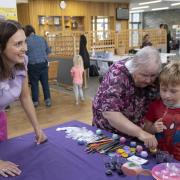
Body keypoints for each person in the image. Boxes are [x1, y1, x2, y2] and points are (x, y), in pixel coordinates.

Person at [0, 20, 47, 177]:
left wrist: (37, 129)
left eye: (24, 42)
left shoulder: (22, 62)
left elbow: (25, 97)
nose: (25, 49)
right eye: (18, 44)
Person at [92, 46, 162, 148]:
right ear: (134, 68)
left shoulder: (150, 71)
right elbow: (110, 113)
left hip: (135, 135)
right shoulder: (117, 75)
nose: (148, 80)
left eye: (152, 76)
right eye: (144, 75)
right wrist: (140, 133)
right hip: (110, 134)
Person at [143, 61, 180, 160]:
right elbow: (145, 129)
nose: (167, 95)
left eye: (173, 91)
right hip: (157, 157)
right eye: (163, 90)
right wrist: (153, 128)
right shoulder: (155, 106)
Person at [24, 25, 51, 107]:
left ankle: (35, 102)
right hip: (43, 64)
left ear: (26, 33)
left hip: (32, 66)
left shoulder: (26, 41)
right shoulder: (42, 38)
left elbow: (24, 54)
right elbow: (48, 52)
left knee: (34, 84)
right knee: (45, 83)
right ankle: (48, 100)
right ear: (33, 31)